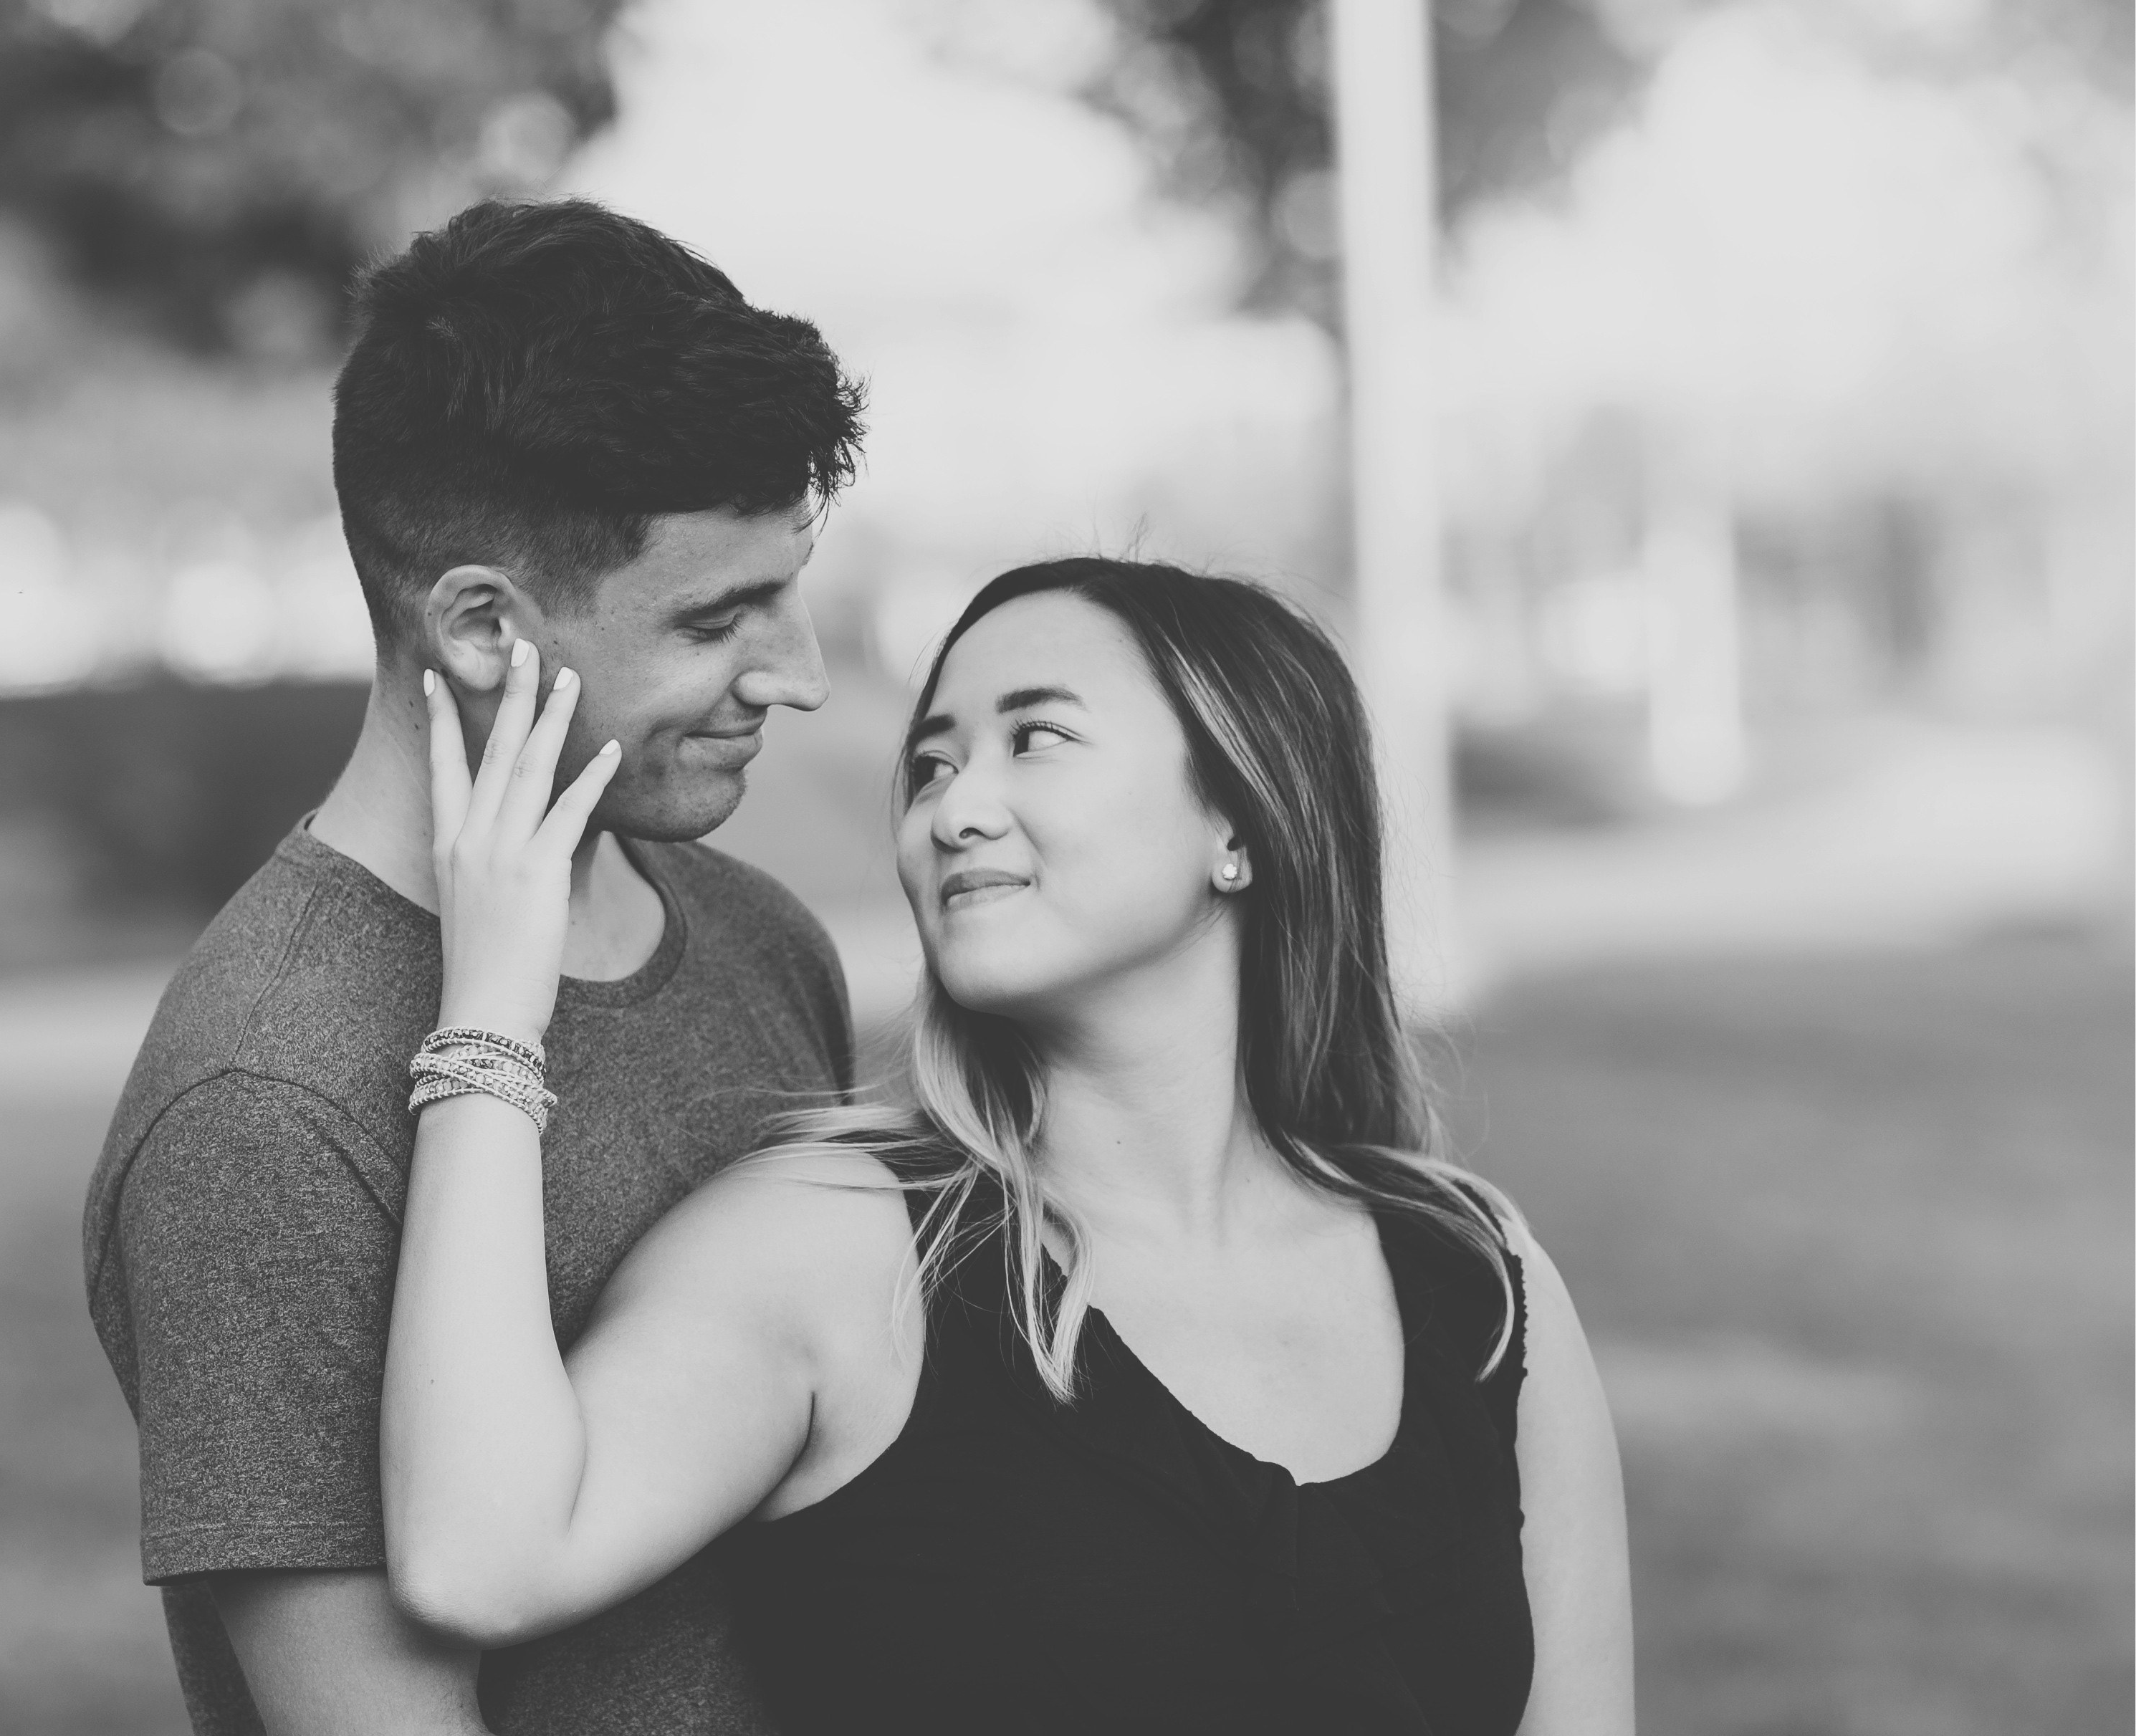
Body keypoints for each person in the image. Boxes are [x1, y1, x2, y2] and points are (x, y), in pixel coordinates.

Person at [381, 557, 1637, 1735]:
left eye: (1036, 739)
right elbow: (478, 1559)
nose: (953, 811)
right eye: (930, 767)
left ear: (1238, 827)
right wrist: (491, 1015)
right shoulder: (839, 1253)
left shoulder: (1478, 1271)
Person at [81, 197, 866, 1736]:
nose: (800, 674)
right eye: (717, 618)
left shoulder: (766, 938)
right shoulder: (264, 1097)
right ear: (486, 630)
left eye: (789, 589)